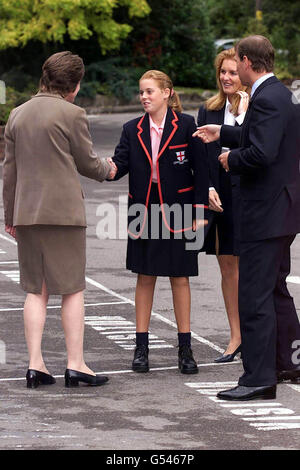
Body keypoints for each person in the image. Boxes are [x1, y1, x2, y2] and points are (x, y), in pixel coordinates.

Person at [194, 35, 300, 400]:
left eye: (236, 62)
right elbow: (261, 135)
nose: (234, 69)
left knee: (253, 296)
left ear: (247, 61)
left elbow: (263, 151)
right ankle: (286, 363)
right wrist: (222, 131)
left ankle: (258, 379)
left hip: (265, 213)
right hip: (281, 211)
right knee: (273, 290)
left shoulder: (266, 98)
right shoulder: (281, 94)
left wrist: (230, 158)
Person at [3, 51, 117, 389]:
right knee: (71, 289)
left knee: (35, 289)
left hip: (26, 213)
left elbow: (9, 172)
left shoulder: (17, 114)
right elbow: (87, 162)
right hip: (63, 214)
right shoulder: (73, 113)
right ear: (75, 84)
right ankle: (75, 364)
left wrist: (10, 215)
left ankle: (35, 365)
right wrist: (108, 169)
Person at [110, 70, 209, 374]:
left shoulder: (187, 125)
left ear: (167, 93)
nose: (144, 97)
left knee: (180, 277)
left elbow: (202, 170)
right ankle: (141, 349)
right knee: (145, 276)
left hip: (179, 211)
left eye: (150, 91)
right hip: (144, 211)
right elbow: (117, 166)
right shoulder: (131, 129)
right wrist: (88, 165)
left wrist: (200, 211)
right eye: (141, 92)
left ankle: (185, 348)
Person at [197, 48, 249, 363]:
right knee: (228, 267)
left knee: (254, 268)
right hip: (220, 196)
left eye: (232, 72)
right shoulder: (208, 110)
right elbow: (202, 154)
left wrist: (243, 109)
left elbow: (257, 144)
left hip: (251, 194)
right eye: (223, 72)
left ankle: (259, 335)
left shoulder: (257, 107)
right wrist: (208, 187)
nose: (227, 77)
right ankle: (236, 337)